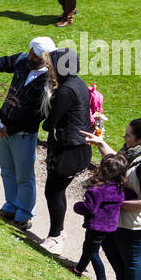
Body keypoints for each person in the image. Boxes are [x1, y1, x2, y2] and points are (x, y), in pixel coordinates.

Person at [82, 117, 141, 280]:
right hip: (124, 217)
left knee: (131, 257)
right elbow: (119, 164)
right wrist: (101, 144)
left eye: (128, 135)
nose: (124, 137)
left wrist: (114, 202)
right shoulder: (137, 150)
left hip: (137, 222)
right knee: (110, 245)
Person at [0, 36, 56, 229]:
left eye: (35, 55)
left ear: (45, 59)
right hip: (4, 125)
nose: (29, 56)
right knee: (7, 170)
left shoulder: (49, 81)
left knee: (24, 176)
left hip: (22, 133)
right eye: (30, 51)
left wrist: (11, 128)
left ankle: (24, 214)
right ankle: (11, 205)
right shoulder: (23, 60)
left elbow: (38, 114)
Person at [38, 47, 90, 252]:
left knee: (53, 192)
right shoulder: (78, 83)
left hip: (69, 150)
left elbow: (49, 124)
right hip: (76, 148)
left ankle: (56, 235)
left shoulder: (66, 91)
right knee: (56, 191)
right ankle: (57, 231)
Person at [71, 153, 128, 280]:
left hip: (96, 226)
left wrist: (77, 206)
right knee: (89, 248)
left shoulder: (97, 190)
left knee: (92, 252)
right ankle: (78, 269)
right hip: (109, 226)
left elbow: (90, 208)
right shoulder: (119, 188)